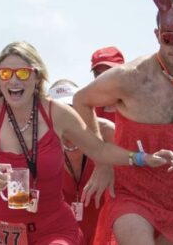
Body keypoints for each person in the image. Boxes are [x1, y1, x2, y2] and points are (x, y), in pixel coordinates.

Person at [0, 41, 173, 245]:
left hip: (54, 229)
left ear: (36, 77)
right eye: (6, 73)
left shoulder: (56, 113)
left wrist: (142, 158)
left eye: (22, 72)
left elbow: (99, 150)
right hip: (7, 232)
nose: (14, 80)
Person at [73, 0, 173, 243]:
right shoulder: (130, 77)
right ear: (157, 34)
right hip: (131, 193)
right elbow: (81, 100)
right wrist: (102, 160)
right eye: (168, 37)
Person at [48, 79, 115, 245]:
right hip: (60, 234)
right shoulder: (37, 142)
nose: (67, 118)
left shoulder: (107, 133)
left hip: (103, 232)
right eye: (60, 112)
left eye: (73, 110)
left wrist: (105, 164)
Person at [89, 47, 125, 123]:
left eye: (108, 72)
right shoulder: (89, 109)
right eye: (98, 73)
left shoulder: (139, 104)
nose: (103, 78)